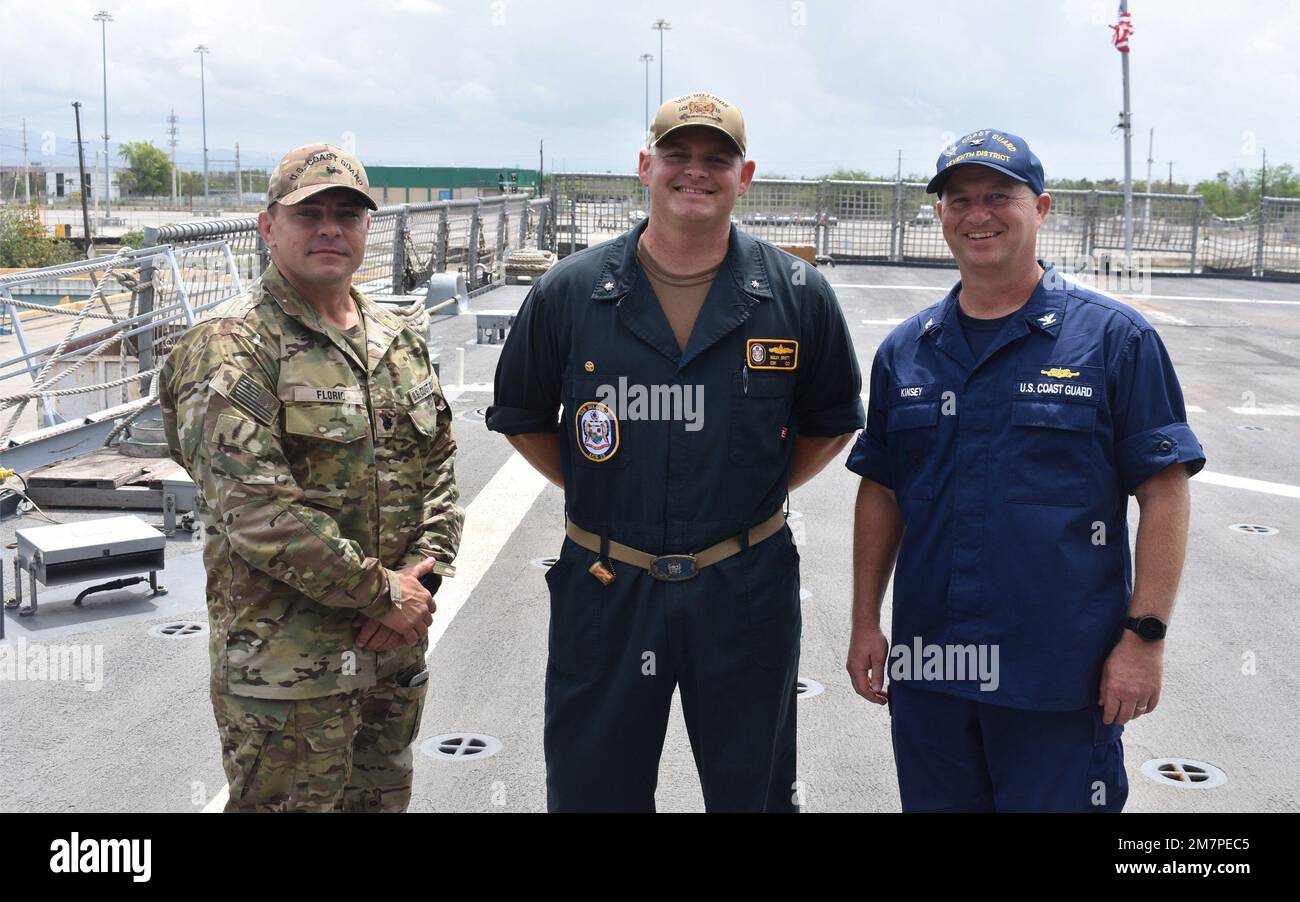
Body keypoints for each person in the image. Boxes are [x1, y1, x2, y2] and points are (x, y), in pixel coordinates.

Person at [487, 92, 864, 812]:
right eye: (677, 156)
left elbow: (830, 423)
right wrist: (602, 493)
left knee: (753, 794)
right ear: (644, 166)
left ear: (744, 175)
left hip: (744, 587)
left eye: (716, 159)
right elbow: (523, 415)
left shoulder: (795, 294)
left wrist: (748, 493)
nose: (696, 172)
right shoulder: (570, 291)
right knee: (593, 791)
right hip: (606, 584)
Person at [845, 129, 1205, 812]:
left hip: (1060, 681)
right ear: (942, 215)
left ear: (1040, 208)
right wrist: (865, 620)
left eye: (998, 197)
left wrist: (1145, 639)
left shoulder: (1113, 341)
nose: (977, 215)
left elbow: (1164, 492)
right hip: (933, 675)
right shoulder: (906, 352)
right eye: (959, 200)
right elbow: (883, 490)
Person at [160, 143, 463, 812]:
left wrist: (425, 575)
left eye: (347, 214)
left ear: (365, 229)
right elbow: (259, 513)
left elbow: (439, 462)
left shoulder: (398, 339)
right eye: (310, 214)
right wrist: (383, 593)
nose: (330, 227)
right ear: (269, 227)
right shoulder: (230, 347)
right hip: (288, 677)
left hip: (391, 657)